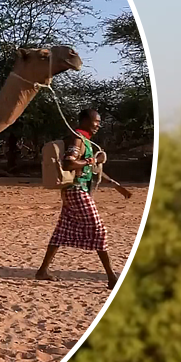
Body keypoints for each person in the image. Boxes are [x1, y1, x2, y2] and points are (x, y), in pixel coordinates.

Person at [36, 108, 133, 289]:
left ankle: (42, 270)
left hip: (74, 191)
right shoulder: (78, 139)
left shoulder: (84, 140)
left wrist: (116, 185)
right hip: (76, 191)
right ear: (85, 121)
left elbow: (92, 170)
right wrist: (91, 161)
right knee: (99, 230)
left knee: (61, 231)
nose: (98, 125)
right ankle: (112, 278)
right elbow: (69, 163)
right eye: (96, 122)